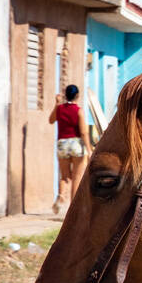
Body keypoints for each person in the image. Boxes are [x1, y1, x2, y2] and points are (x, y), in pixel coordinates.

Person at [48, 84, 91, 213]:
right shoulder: (78, 110)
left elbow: (51, 120)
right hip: (76, 145)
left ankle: (61, 197)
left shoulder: (60, 109)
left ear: (65, 95)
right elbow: (83, 132)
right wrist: (89, 149)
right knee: (76, 178)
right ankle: (73, 209)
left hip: (62, 144)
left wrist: (57, 103)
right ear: (77, 96)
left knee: (65, 176)